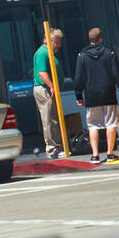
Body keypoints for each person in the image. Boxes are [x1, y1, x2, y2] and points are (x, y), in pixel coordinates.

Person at [74, 28, 119, 163]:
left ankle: (95, 155)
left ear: (90, 40)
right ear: (100, 39)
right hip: (108, 93)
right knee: (111, 123)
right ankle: (110, 153)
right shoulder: (109, 53)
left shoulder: (82, 56)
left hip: (91, 95)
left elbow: (78, 78)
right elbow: (117, 74)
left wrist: (78, 95)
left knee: (93, 125)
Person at [32, 29, 69, 158]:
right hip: (44, 89)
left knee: (53, 118)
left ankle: (57, 147)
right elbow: (42, 73)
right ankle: (53, 149)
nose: (59, 45)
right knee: (48, 119)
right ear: (50, 40)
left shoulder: (48, 52)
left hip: (49, 89)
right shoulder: (42, 53)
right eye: (57, 42)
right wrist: (51, 86)